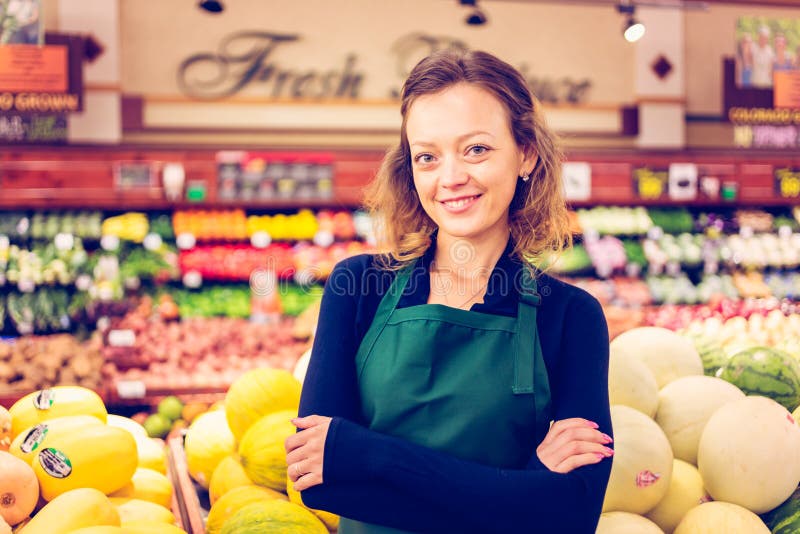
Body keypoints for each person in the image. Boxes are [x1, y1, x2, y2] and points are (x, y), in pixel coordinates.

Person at [285, 49, 613, 534]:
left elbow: (573, 514)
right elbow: (319, 483)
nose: (450, 178)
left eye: (476, 149)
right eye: (427, 157)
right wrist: (524, 487)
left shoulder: (572, 317)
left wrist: (367, 453)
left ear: (526, 153)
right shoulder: (357, 290)